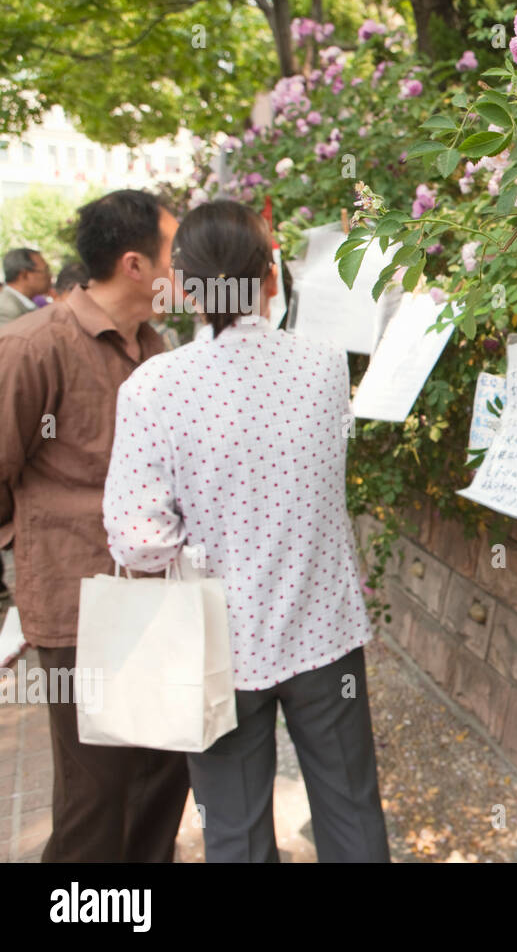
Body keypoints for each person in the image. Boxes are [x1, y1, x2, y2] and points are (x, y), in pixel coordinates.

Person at [103, 200, 389, 862]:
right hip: (324, 630)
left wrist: (201, 547)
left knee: (234, 830)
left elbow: (136, 536)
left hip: (214, 644)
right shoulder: (324, 366)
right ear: (270, 277)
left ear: (185, 287)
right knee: (351, 809)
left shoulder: (154, 388)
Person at [0, 190, 190, 861]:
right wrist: (32, 556)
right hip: (79, 610)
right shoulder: (32, 347)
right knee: (96, 798)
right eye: (177, 252)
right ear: (136, 265)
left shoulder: (157, 345)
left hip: (156, 601)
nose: (189, 268)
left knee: (164, 777)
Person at [0, 248, 51, 327]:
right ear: (25, 275)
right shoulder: (7, 309)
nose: (50, 275)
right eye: (46, 270)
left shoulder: (24, 302)